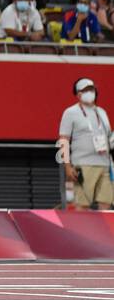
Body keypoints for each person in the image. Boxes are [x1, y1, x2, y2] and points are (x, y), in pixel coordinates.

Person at [59, 78, 112, 211]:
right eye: (86, 90)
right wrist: (67, 165)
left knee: (106, 202)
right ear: (78, 94)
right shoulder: (70, 112)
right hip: (82, 165)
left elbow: (108, 137)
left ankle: (102, 231)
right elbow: (64, 139)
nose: (91, 92)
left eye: (92, 89)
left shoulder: (102, 112)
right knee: (81, 206)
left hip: (104, 165)